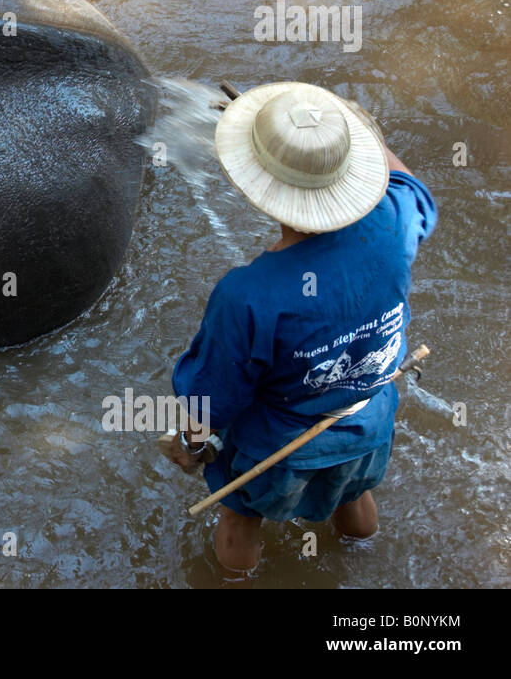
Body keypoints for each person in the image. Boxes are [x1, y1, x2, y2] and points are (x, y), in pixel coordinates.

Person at [162, 81, 437, 578]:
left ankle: (234, 581)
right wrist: (342, 129)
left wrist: (194, 444)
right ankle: (364, 563)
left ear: (260, 185)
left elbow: (216, 397)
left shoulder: (247, 295)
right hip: (366, 425)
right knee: (352, 496)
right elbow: (408, 183)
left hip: (277, 453)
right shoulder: (394, 224)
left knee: (239, 520)